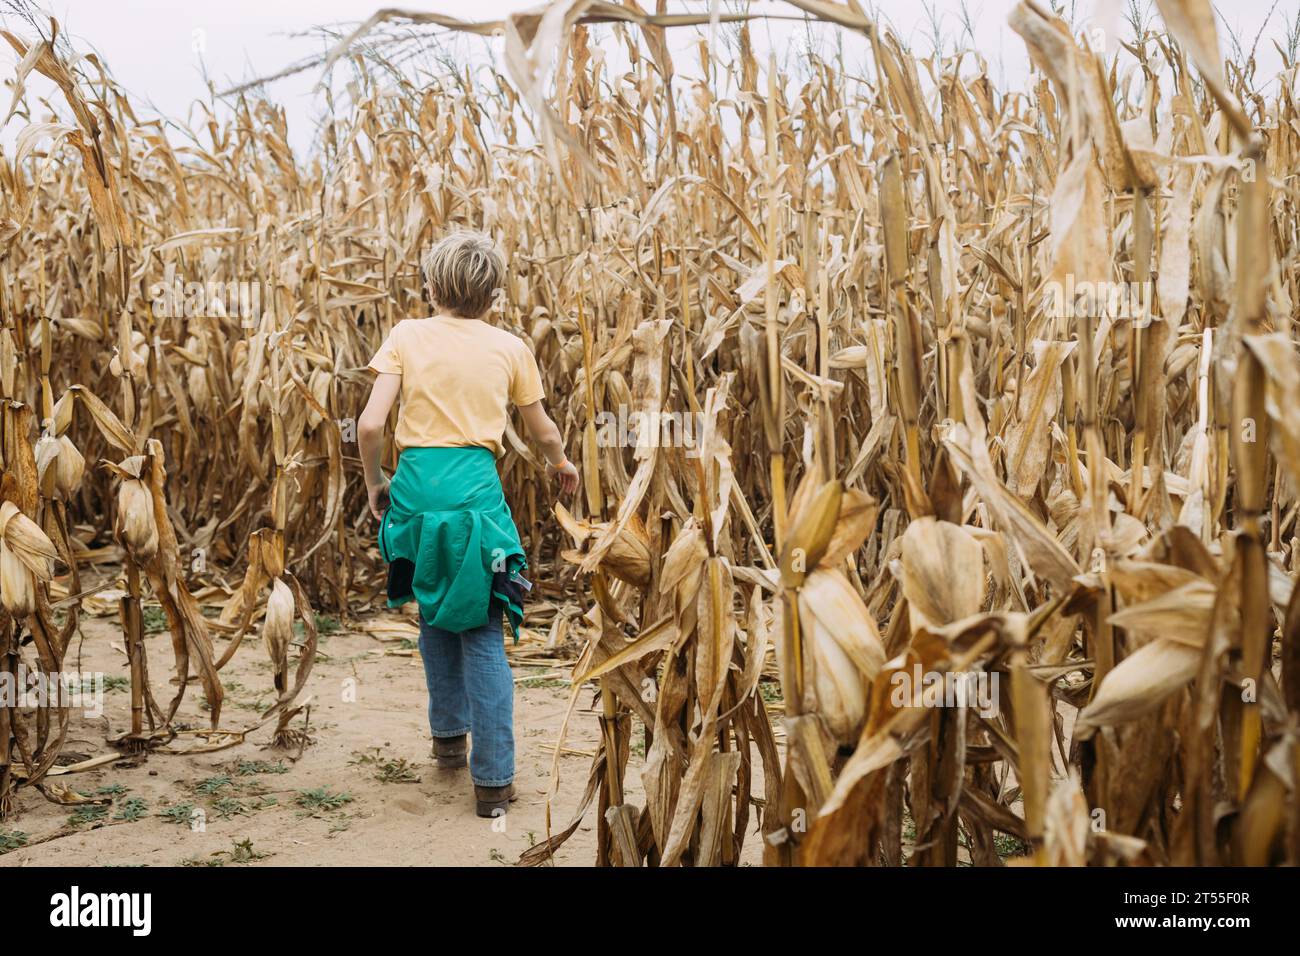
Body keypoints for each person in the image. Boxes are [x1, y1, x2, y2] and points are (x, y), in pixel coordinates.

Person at [357, 230, 578, 818]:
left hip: (415, 494)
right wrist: (561, 465)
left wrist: (377, 482)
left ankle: (448, 742)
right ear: (496, 296)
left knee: (433, 609)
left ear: (431, 287)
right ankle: (494, 783)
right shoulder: (509, 347)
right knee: (482, 628)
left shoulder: (406, 335)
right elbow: (544, 433)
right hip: (475, 495)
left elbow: (370, 426)